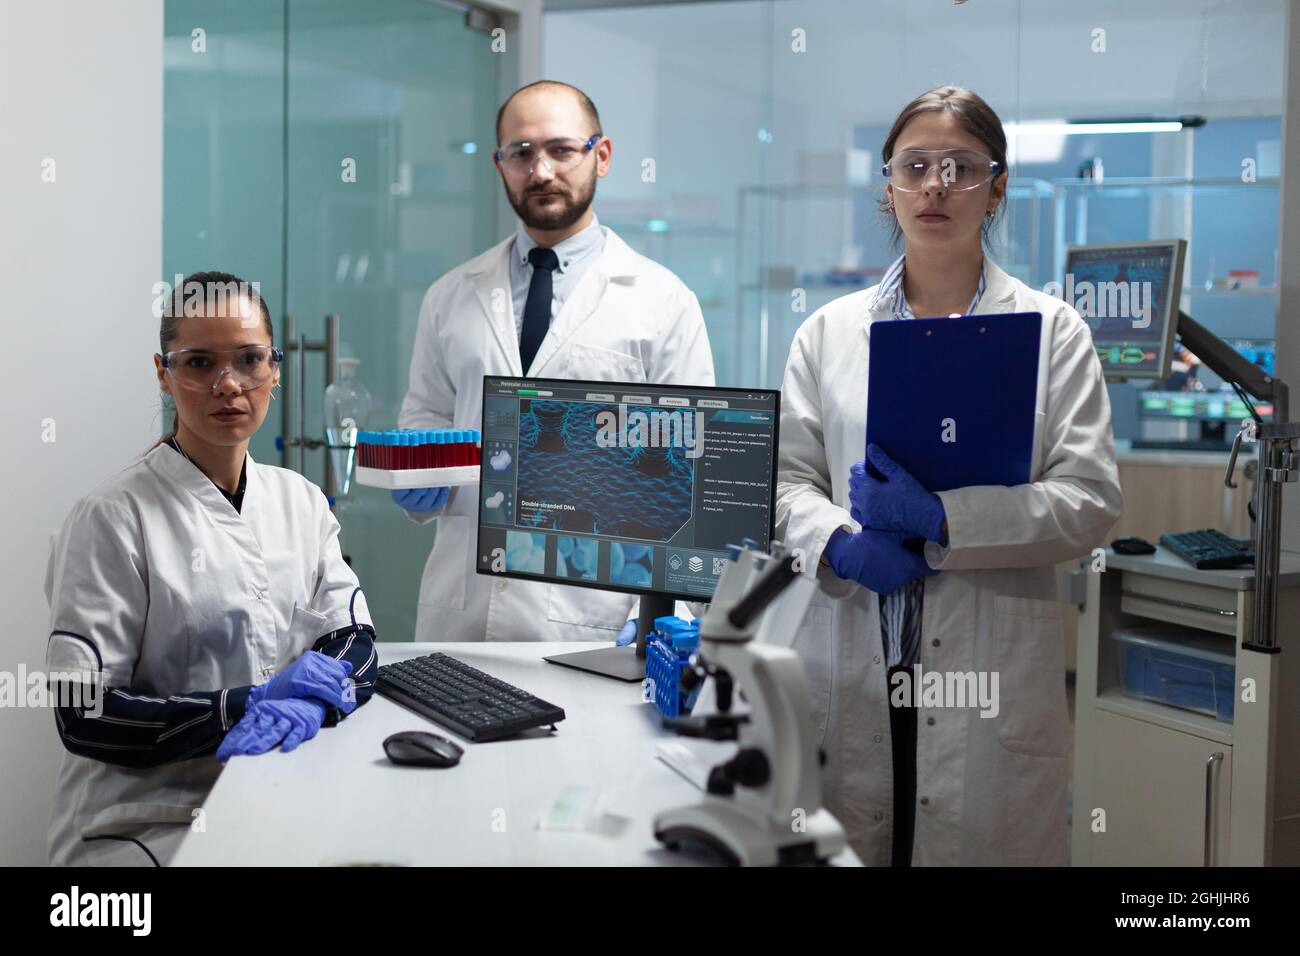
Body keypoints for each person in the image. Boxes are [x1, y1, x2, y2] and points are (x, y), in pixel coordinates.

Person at [775, 86, 1122, 866]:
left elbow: (1092, 500)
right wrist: (837, 540)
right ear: (889, 185)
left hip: (986, 674)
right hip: (854, 655)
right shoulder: (829, 332)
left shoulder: (1052, 332)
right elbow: (786, 482)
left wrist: (942, 519)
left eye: (962, 167)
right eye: (916, 166)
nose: (936, 186)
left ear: (997, 187)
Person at [44, 272, 378, 866]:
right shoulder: (113, 518)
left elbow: (355, 640)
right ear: (163, 374)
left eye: (249, 359)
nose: (229, 385)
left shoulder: (299, 502)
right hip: (142, 827)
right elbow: (82, 715)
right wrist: (243, 706)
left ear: (275, 368)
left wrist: (311, 701)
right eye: (199, 362)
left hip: (273, 799)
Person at [397, 80, 715, 643]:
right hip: (462, 607)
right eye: (521, 153)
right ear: (500, 165)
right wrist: (422, 475)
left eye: (562, 150)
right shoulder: (450, 295)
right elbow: (424, 416)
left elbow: (691, 468)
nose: (541, 170)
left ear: (603, 155)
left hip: (592, 614)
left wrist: (676, 612)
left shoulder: (663, 301)